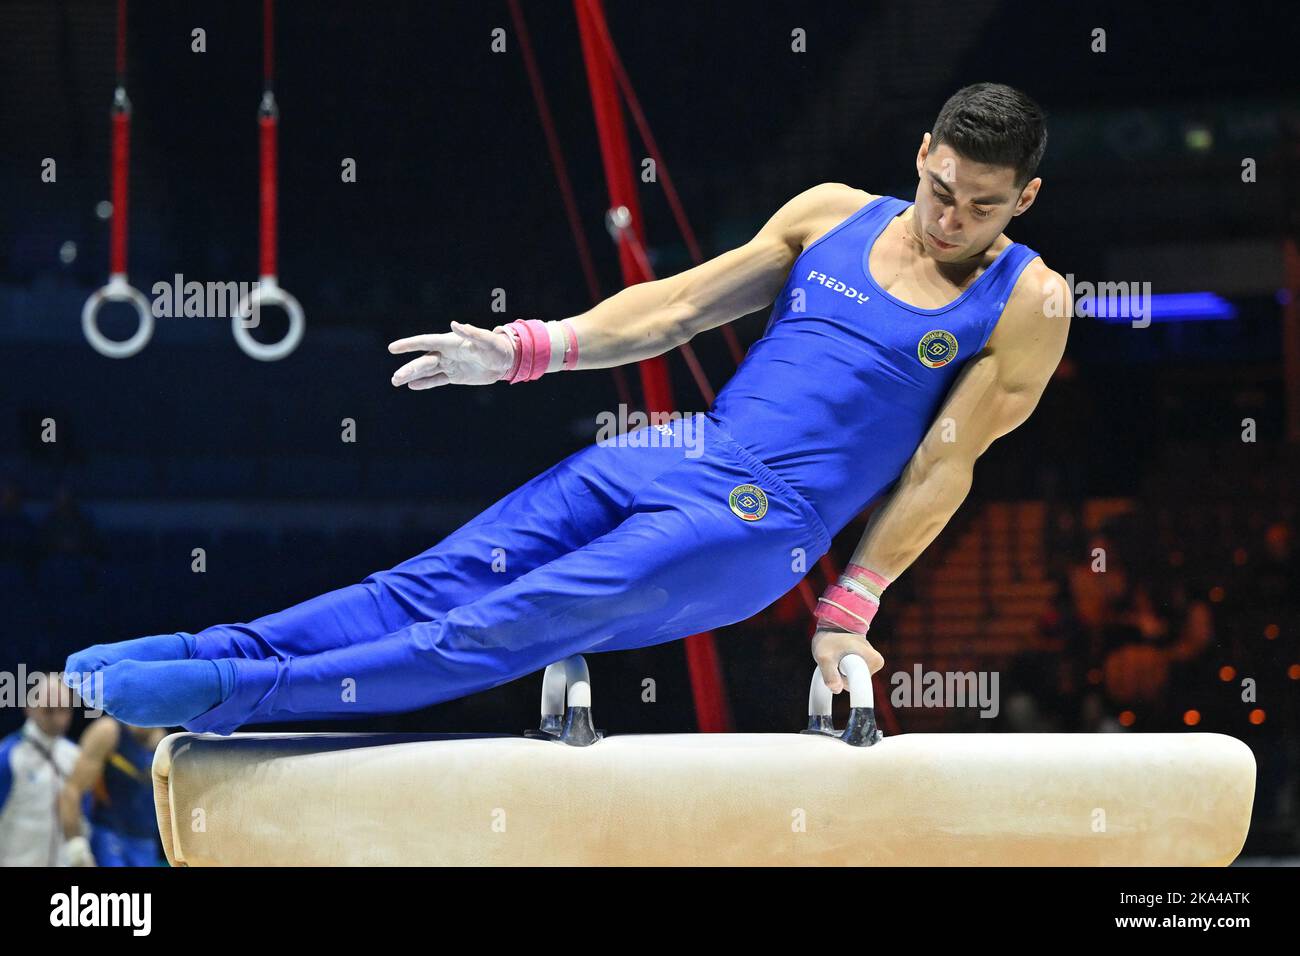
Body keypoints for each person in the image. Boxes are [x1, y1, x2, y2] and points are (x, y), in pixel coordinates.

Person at [65, 82, 1071, 734]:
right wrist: (518, 351)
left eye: (981, 206)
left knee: (502, 623)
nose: (951, 219)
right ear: (923, 151)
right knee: (427, 583)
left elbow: (944, 462)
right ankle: (210, 649)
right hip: (677, 449)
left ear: (1023, 199)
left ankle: (231, 697)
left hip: (760, 523)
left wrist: (850, 608)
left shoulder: (1026, 301)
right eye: (941, 188)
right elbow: (675, 306)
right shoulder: (830, 214)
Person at [0, 672, 94, 866]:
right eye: (49, 710)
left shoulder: (75, 756)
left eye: (64, 709)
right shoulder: (9, 756)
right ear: (29, 708)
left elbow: (84, 814)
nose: (58, 719)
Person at [66, 719, 167, 866]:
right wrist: (75, 842)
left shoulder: (160, 739)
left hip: (145, 840)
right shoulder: (108, 731)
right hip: (109, 836)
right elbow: (73, 789)